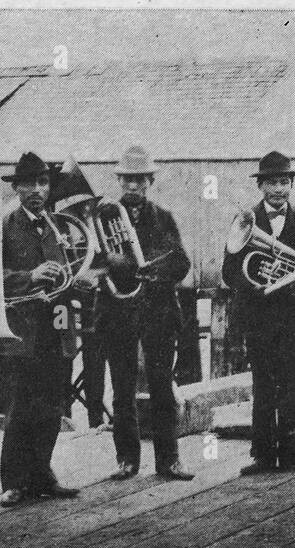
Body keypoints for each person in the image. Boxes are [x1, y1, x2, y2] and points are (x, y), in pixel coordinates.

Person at [81, 145, 194, 482]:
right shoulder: (102, 217)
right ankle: (127, 460)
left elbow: (181, 263)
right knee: (122, 389)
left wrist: (153, 272)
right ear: (120, 180)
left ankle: (168, 461)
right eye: (127, 180)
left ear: (149, 182)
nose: (132, 186)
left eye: (139, 180)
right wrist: (114, 264)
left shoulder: (164, 217)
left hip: (157, 310)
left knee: (162, 388)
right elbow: (92, 262)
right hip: (118, 310)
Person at [223, 151, 295, 474]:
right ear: (261, 186)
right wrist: (253, 284)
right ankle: (262, 455)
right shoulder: (245, 222)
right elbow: (230, 271)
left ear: (291, 185)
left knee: (290, 384)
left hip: (293, 316)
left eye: (284, 182)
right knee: (262, 385)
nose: (279, 189)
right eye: (272, 182)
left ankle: (291, 453)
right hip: (258, 315)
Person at [0, 152, 85, 507]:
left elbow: (71, 272)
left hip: (59, 326)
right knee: (20, 406)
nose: (36, 190)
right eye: (29, 183)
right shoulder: (1, 227)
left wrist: (81, 282)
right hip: (22, 331)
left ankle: (42, 474)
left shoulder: (62, 226)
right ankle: (13, 482)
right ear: (16, 187)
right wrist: (30, 277)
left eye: (43, 183)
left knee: (51, 406)